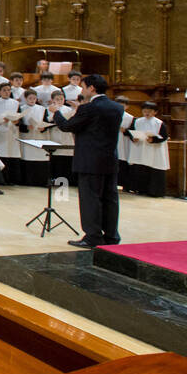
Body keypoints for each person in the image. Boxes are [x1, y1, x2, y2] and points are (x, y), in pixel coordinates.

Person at [55, 74, 125, 248]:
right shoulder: (117, 107)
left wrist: (56, 112)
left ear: (92, 88)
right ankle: (111, 236)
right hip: (109, 160)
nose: (82, 90)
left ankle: (93, 236)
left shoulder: (89, 108)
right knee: (110, 199)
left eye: (84, 87)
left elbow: (67, 126)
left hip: (90, 160)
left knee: (90, 199)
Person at [125, 101, 170, 197]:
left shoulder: (159, 123)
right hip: (140, 148)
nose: (147, 113)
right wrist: (134, 138)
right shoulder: (137, 121)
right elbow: (131, 132)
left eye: (149, 111)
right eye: (144, 111)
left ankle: (154, 192)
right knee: (140, 168)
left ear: (155, 112)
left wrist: (153, 140)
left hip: (154, 149)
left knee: (154, 168)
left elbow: (164, 136)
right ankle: (140, 189)